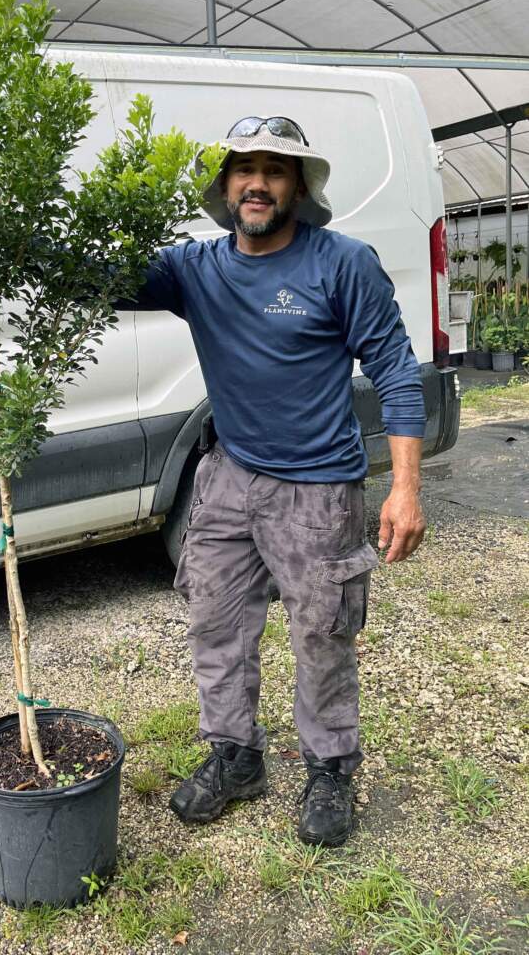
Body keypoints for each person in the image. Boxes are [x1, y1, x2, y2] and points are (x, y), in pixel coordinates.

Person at [115, 116, 427, 847]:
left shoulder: (342, 263)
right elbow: (93, 279)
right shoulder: (193, 267)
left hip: (318, 491)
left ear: (298, 187)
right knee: (215, 621)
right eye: (244, 170)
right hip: (227, 477)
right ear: (225, 187)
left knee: (323, 634)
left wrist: (406, 487)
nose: (257, 183)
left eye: (275, 170)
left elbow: (396, 370)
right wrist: (0, 217)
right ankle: (236, 756)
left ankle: (330, 769)